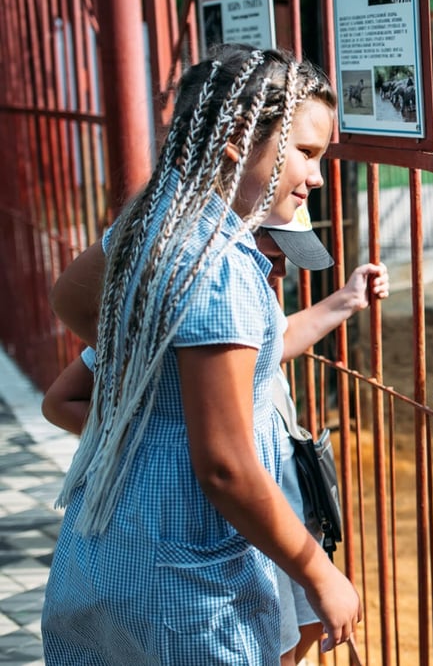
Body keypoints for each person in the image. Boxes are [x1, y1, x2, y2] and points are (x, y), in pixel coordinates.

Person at [42, 44, 368, 663]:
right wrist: (319, 573)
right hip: (187, 592)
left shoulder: (154, 222)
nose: (318, 177)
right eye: (306, 152)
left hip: (103, 553)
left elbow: (70, 298)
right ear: (238, 139)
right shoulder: (221, 265)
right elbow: (224, 467)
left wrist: (158, 376)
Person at [42, 226, 388, 665]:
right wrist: (160, 439)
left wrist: (346, 301)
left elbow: (276, 341)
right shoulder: (199, 306)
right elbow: (63, 399)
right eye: (271, 256)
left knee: (294, 633)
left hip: (270, 508)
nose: (279, 273)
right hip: (227, 524)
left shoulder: (241, 305)